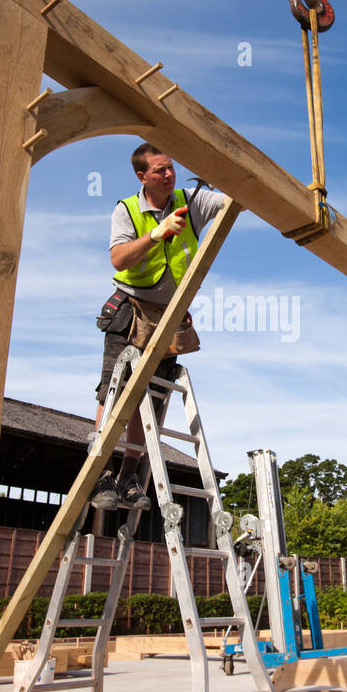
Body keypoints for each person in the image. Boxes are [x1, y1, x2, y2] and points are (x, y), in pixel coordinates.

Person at [91, 143, 224, 510]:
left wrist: (223, 174)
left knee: (151, 401)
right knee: (113, 393)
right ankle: (99, 471)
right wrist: (156, 234)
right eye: (160, 170)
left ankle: (130, 475)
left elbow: (233, 202)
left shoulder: (193, 200)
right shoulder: (127, 209)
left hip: (170, 313)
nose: (169, 174)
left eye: (172, 167)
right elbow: (119, 259)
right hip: (130, 308)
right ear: (142, 176)